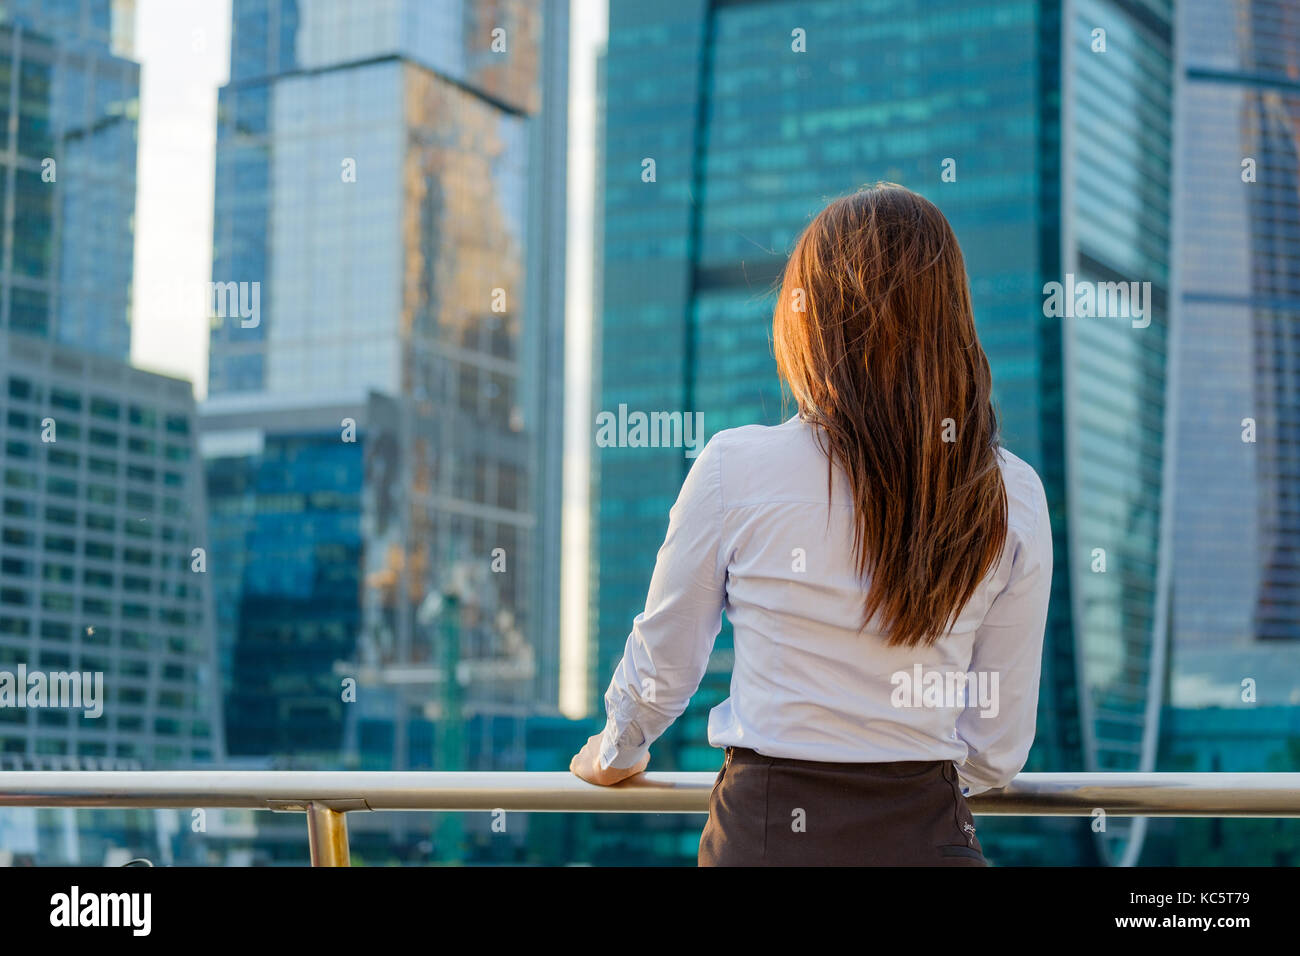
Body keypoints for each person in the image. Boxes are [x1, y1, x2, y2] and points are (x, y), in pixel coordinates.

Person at [569, 183, 1053, 866]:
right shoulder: (1011, 493)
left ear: (812, 320)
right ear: (952, 319)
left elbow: (666, 664)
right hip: (929, 838)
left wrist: (616, 749)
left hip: (764, 841)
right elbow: (996, 746)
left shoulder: (734, 468)